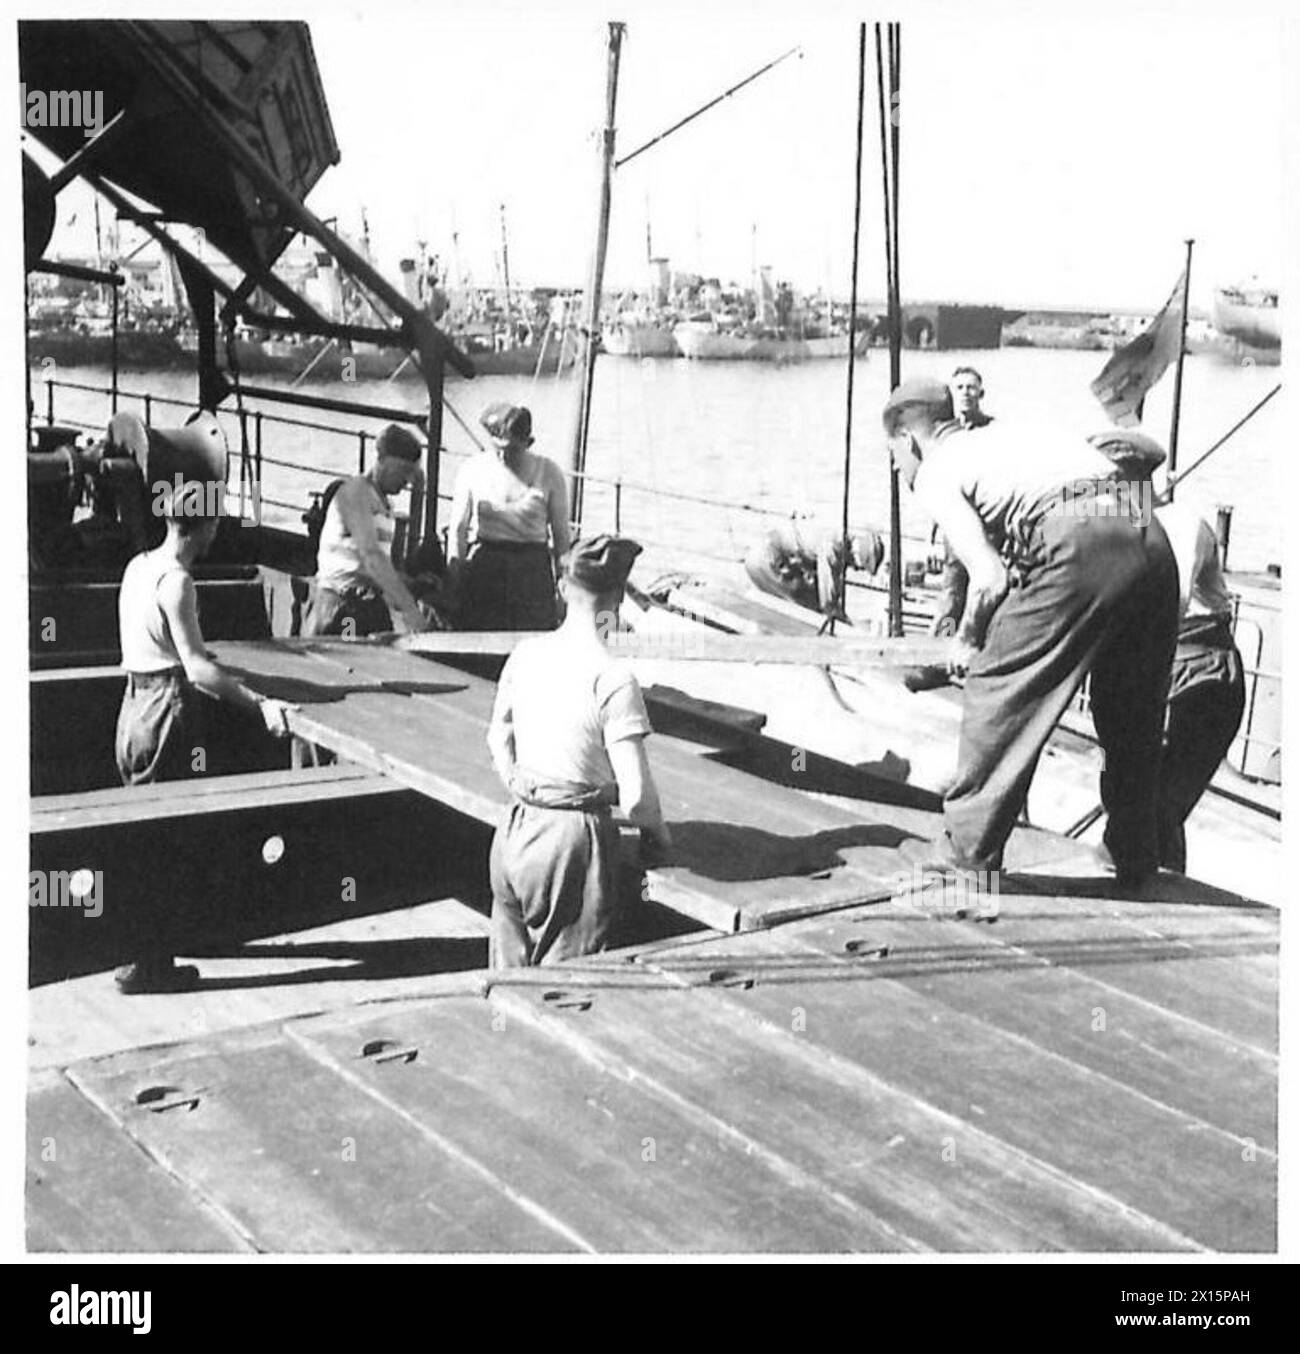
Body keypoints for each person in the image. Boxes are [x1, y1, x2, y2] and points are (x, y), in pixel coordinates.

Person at [882, 378, 1179, 887]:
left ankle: (968, 853)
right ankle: (1134, 851)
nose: (897, 468)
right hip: (1147, 527)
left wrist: (970, 641)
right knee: (1130, 705)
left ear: (909, 440)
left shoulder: (936, 472)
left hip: (1083, 538)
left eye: (894, 457)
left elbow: (990, 576)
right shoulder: (1012, 436)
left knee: (998, 687)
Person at [115, 451, 295, 994]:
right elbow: (195, 670)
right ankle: (147, 965)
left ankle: (155, 947)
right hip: (166, 711)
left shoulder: (138, 567)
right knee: (166, 838)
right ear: (206, 525)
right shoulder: (179, 584)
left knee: (143, 832)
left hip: (131, 709)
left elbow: (157, 645)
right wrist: (260, 705)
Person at [486, 534, 671, 966]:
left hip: (515, 828)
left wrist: (528, 789)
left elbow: (498, 738)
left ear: (564, 589)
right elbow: (639, 800)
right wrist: (659, 833)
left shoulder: (525, 654)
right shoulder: (613, 678)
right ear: (618, 599)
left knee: (508, 978)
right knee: (567, 984)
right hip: (571, 848)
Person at [1088, 428, 1246, 874]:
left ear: (1124, 480)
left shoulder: (1178, 525)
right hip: (1152, 665)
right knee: (1134, 804)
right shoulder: (1116, 525)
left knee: (1158, 808)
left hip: (1199, 669)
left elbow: (1166, 611)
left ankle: (1162, 891)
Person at [904, 366, 996, 691]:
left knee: (985, 589)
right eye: (960, 387)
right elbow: (939, 488)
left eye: (972, 387)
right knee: (953, 590)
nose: (966, 393)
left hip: (987, 521)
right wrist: (934, 535)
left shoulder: (991, 432)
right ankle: (939, 654)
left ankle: (975, 656)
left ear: (981, 394)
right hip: (955, 525)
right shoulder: (943, 433)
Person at [447, 403, 571, 630]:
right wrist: (456, 577)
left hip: (531, 570)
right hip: (487, 567)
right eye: (498, 449)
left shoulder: (549, 473)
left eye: (512, 450)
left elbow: (562, 537)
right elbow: (458, 528)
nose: (504, 456)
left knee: (532, 637)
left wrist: (565, 588)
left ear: (528, 442)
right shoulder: (472, 469)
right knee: (479, 633)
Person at [306, 423, 430, 637]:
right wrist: (410, 610)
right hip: (342, 607)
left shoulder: (383, 504)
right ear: (381, 459)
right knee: (347, 666)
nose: (408, 481)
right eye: (404, 471)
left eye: (412, 472)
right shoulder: (356, 493)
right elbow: (371, 556)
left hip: (368, 605)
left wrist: (414, 585)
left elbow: (371, 567)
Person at [744, 522, 885, 623]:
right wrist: (839, 617)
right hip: (766, 560)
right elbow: (827, 596)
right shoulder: (834, 545)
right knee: (805, 613)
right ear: (858, 555)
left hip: (763, 555)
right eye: (859, 567)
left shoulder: (839, 535)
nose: (855, 569)